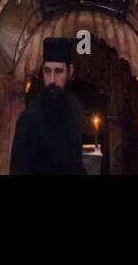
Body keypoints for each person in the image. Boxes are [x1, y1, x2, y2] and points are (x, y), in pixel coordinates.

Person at [9, 38, 87, 175]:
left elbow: (76, 164)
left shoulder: (74, 108)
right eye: (47, 71)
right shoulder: (28, 120)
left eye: (58, 72)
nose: (51, 80)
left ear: (70, 71)